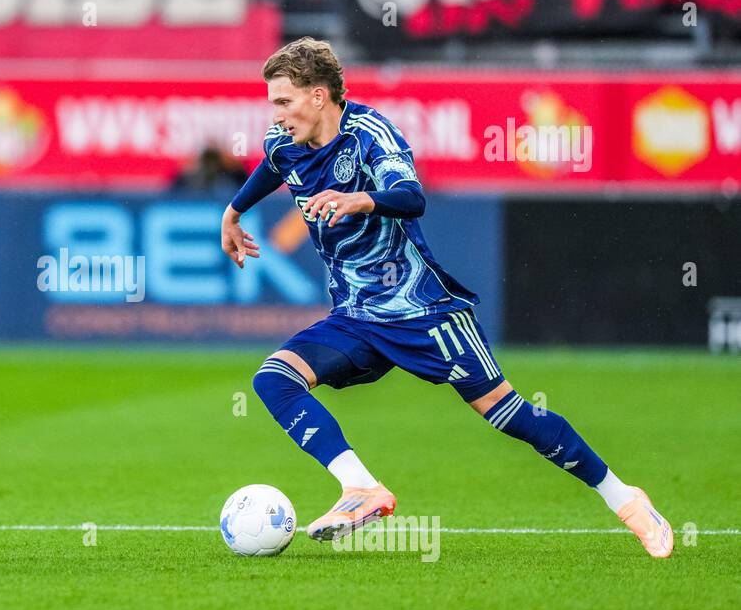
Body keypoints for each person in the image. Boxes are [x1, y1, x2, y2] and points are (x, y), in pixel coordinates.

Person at [221, 37, 673, 558]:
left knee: (510, 416)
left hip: (423, 312)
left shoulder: (370, 135)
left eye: (284, 101)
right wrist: (232, 213)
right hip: (356, 316)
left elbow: (412, 197)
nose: (274, 114)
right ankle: (361, 488)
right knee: (275, 379)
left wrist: (359, 199)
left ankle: (626, 499)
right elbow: (274, 168)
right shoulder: (284, 143)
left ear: (319, 96)